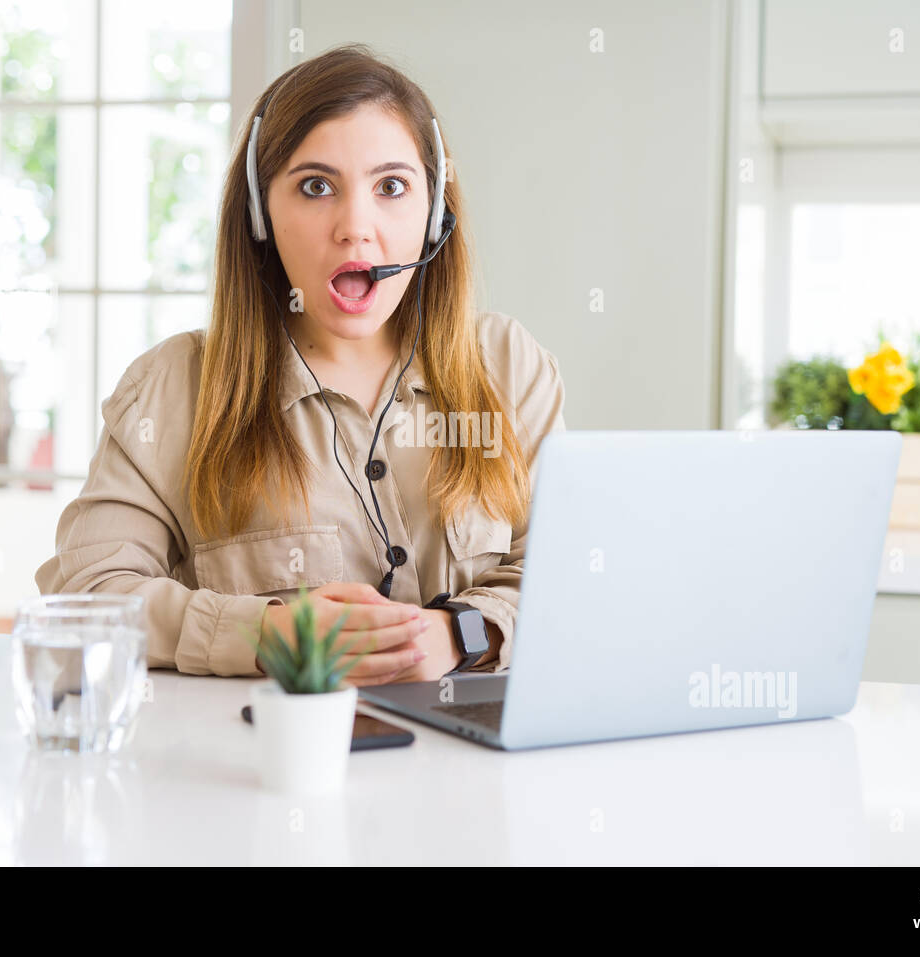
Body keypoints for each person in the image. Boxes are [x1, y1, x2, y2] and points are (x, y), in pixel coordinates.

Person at [34, 43, 565, 686]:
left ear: (433, 216)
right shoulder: (172, 387)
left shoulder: (509, 366)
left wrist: (461, 632)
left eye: (392, 186)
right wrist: (267, 632)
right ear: (261, 215)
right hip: (260, 759)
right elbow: (88, 595)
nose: (355, 227)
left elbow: (566, 571)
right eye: (316, 187)